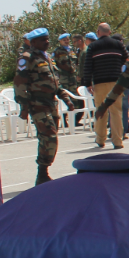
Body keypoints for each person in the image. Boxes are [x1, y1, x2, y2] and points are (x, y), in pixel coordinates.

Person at [15, 28, 76, 184]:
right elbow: (20, 84)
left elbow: (55, 82)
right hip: (37, 103)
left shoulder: (47, 57)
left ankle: (43, 171)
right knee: (49, 136)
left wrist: (66, 98)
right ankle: (42, 172)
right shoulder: (27, 58)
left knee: (50, 137)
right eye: (43, 40)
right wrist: (24, 106)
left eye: (48, 39)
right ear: (33, 42)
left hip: (51, 103)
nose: (47, 42)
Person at [83, 23, 127, 149]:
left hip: (99, 82)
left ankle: (100, 139)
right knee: (116, 112)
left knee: (101, 110)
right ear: (109, 31)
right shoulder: (118, 44)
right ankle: (118, 141)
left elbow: (88, 66)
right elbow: (125, 58)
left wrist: (88, 83)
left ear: (98, 32)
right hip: (116, 82)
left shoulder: (92, 46)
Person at [52, 33, 85, 124]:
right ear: (60, 41)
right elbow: (55, 64)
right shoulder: (58, 51)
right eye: (64, 40)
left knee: (75, 99)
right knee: (65, 99)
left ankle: (74, 120)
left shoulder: (72, 50)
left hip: (73, 78)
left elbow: (76, 62)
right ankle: (64, 121)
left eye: (67, 39)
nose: (66, 41)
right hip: (64, 78)